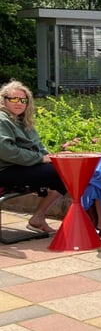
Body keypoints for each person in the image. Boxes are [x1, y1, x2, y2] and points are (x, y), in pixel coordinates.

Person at [0, 80, 66, 234]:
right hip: (4, 170)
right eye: (14, 99)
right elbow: (6, 151)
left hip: (20, 167)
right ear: (4, 100)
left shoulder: (23, 121)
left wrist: (51, 156)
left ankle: (38, 218)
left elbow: (38, 146)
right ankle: (39, 218)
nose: (19, 103)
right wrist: (40, 159)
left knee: (64, 170)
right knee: (59, 173)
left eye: (23, 100)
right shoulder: (2, 120)